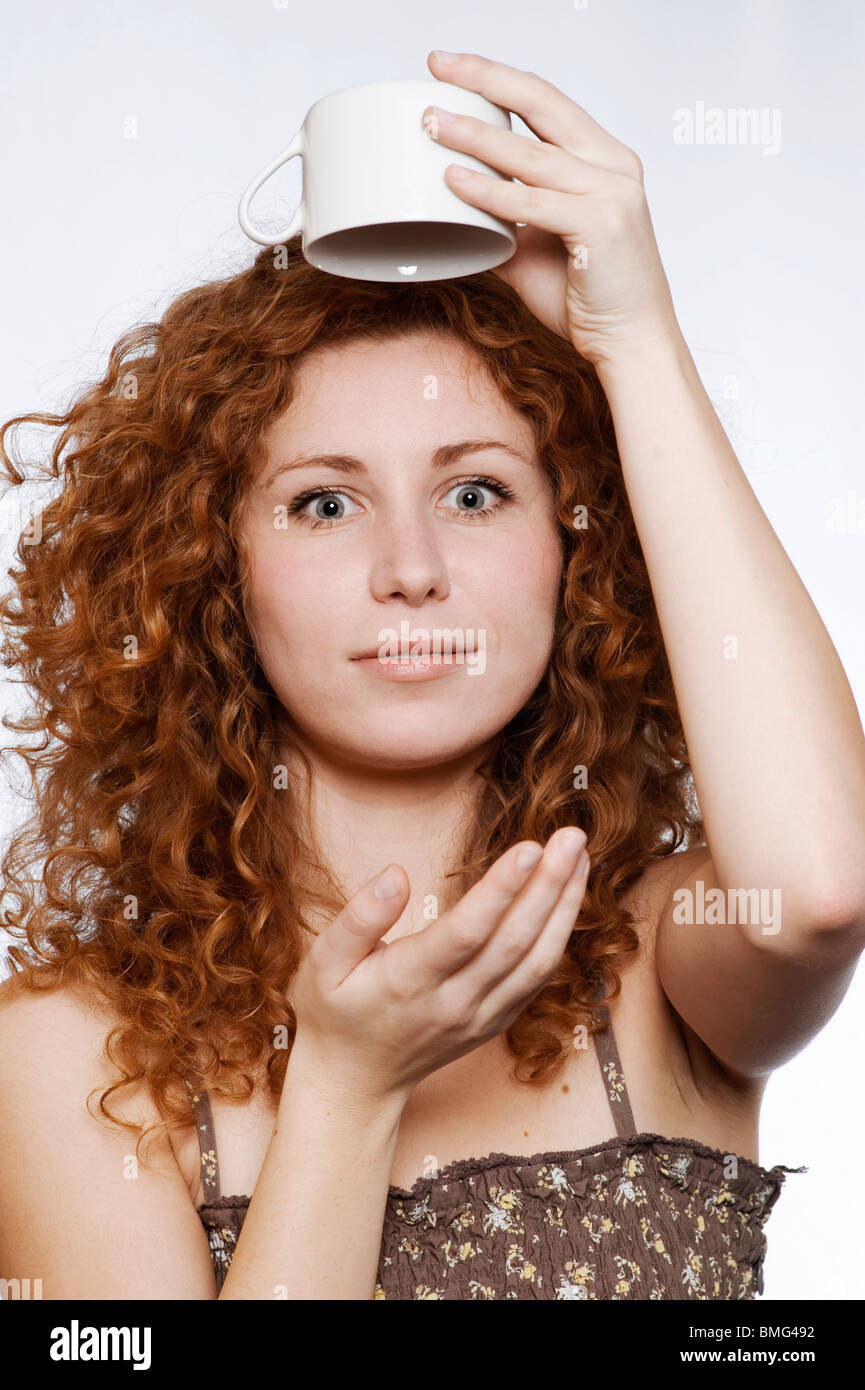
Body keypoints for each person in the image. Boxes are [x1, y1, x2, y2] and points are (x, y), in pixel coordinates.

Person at [0, 50, 862, 1302]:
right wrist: (349, 1093)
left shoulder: (669, 962)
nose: (411, 569)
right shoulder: (68, 1060)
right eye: (323, 502)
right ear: (210, 574)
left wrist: (634, 340)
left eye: (474, 492)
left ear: (581, 551)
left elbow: (823, 893)